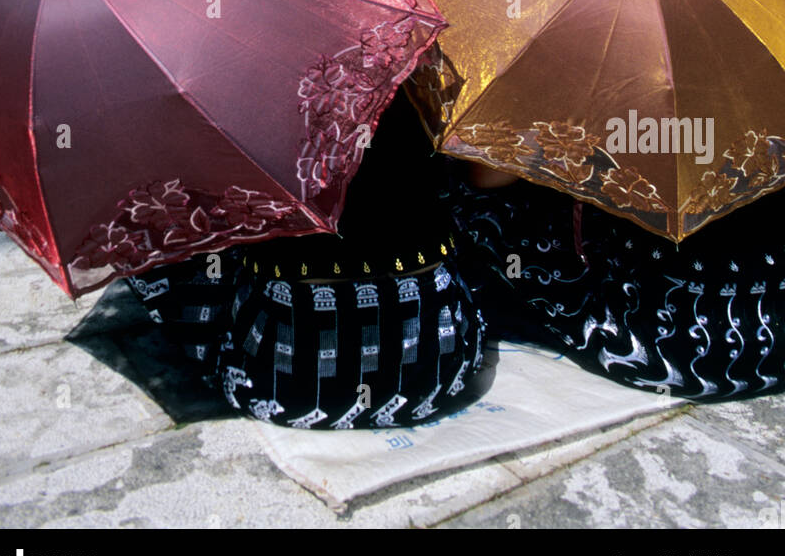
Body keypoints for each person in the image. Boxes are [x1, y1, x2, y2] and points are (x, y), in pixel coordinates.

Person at [128, 87, 486, 429]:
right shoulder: (425, 58)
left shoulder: (235, 78)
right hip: (434, 373)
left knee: (155, 228)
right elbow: (487, 178)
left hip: (281, 382)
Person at [448, 152, 785, 401]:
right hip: (769, 327)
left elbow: (487, 176)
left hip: (659, 335)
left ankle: (505, 285)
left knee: (480, 217)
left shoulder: (598, 77)